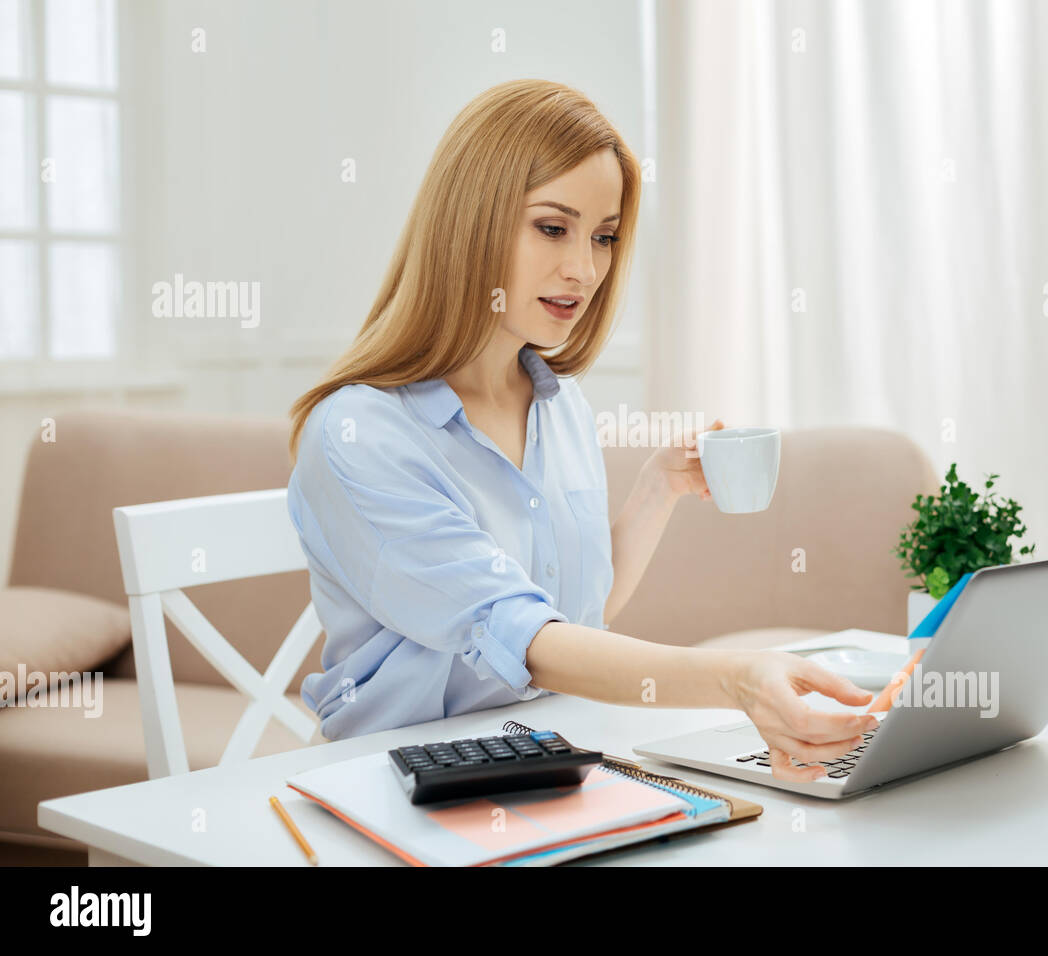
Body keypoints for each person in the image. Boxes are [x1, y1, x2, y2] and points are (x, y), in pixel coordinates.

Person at [286, 79, 874, 782]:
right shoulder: (358, 436)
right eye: (552, 227)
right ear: (470, 222)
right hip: (390, 782)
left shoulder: (559, 405)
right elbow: (522, 637)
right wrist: (737, 679)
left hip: (539, 756)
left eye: (603, 237)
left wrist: (656, 490)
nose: (585, 269)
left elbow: (572, 618)